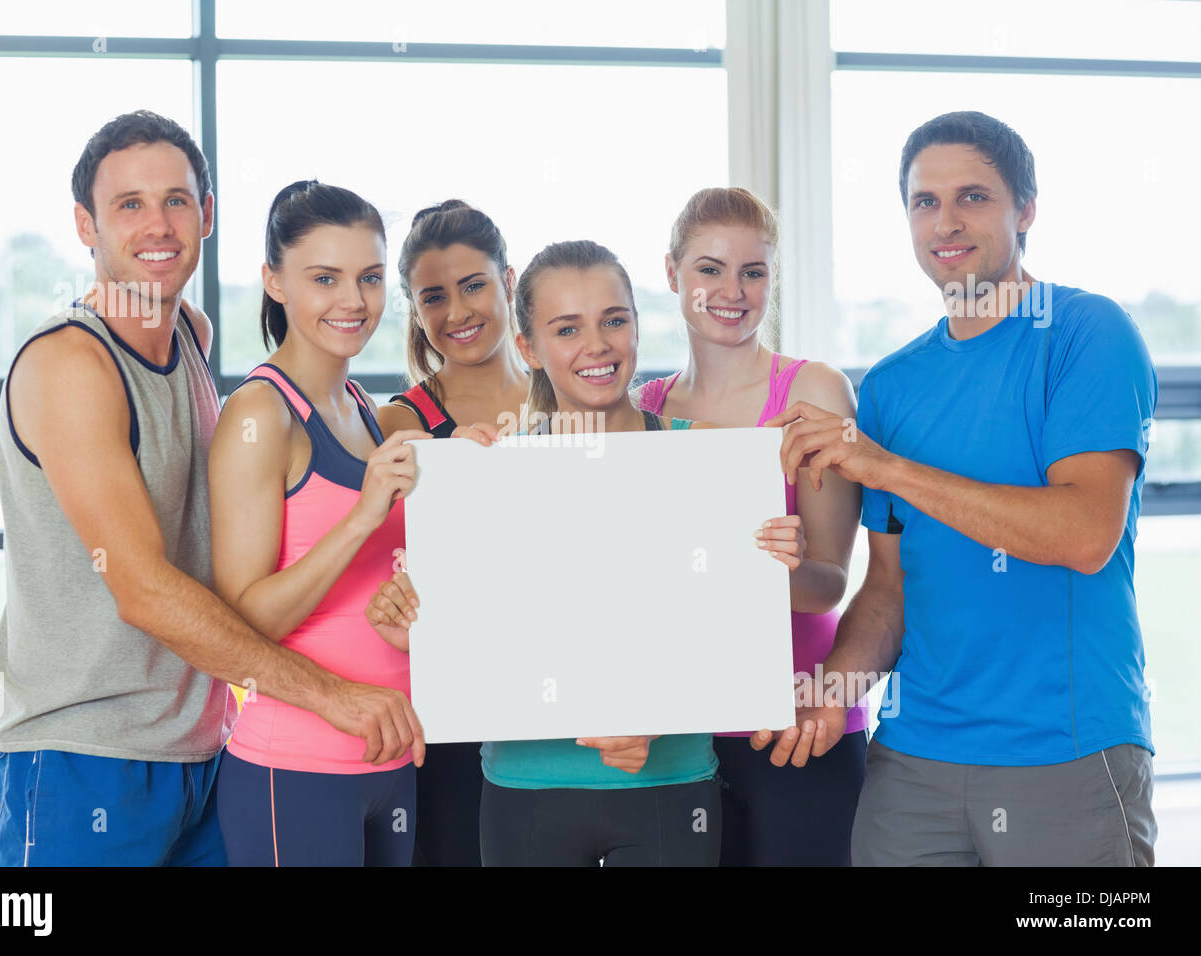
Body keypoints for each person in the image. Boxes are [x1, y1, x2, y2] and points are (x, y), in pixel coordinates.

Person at [0, 112, 416, 867]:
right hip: (82, 758)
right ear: (86, 224)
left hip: (202, 752)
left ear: (207, 214)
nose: (158, 224)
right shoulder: (70, 365)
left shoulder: (192, 332)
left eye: (177, 201)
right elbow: (143, 590)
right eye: (129, 205)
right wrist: (329, 696)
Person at [757, 111, 1157, 866]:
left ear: (1026, 209)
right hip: (914, 762)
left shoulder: (1087, 333)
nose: (945, 221)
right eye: (923, 201)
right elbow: (886, 593)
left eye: (973, 197)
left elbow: (1083, 534)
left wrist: (886, 468)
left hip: (1067, 755)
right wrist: (831, 687)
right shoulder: (894, 386)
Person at [366, 239, 801, 866]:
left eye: (614, 321)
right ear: (528, 348)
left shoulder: (703, 454)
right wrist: (412, 624)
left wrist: (772, 560)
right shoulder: (490, 468)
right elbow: (477, 626)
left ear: (635, 326)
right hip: (527, 789)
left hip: (670, 783)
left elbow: (727, 623)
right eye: (566, 328)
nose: (596, 345)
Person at [635, 186, 866, 866]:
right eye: (709, 269)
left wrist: (771, 565)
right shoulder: (641, 409)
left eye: (753, 271)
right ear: (672, 273)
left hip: (796, 723)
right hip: (682, 731)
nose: (731, 290)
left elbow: (828, 584)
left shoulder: (814, 393)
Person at [207, 181, 434, 866]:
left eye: (368, 277)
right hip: (295, 768)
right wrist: (365, 514)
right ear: (275, 281)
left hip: (391, 756)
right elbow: (247, 619)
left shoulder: (365, 406)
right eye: (324, 278)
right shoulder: (258, 414)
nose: (353, 301)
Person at [376, 200, 529, 866]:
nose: (457, 312)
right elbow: (381, 568)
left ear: (509, 282)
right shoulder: (395, 425)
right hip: (450, 714)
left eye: (473, 286)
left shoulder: (569, 402)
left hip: (557, 702)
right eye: (433, 297)